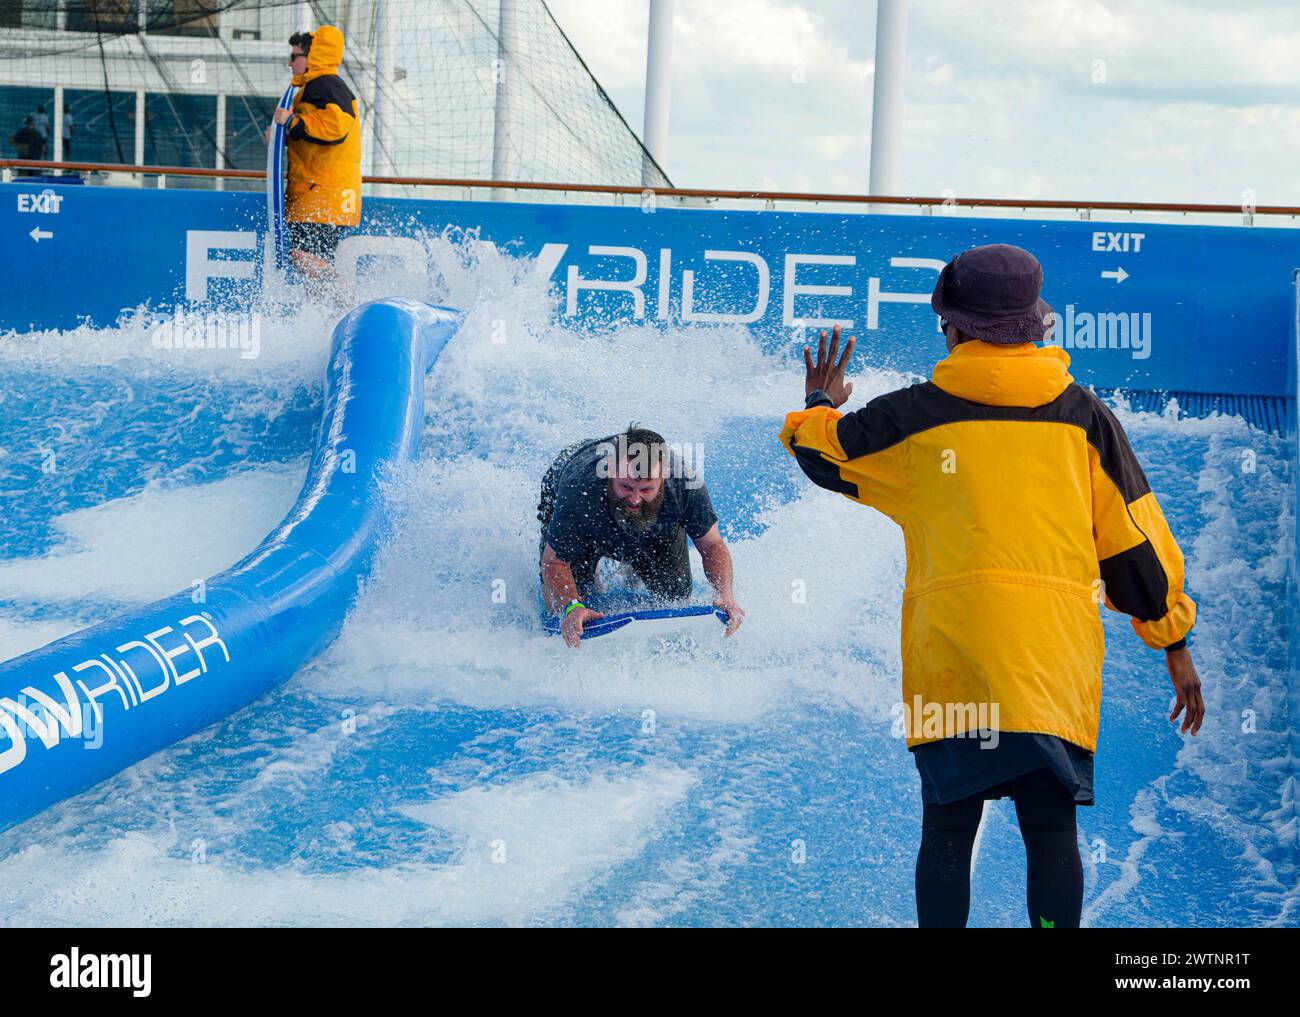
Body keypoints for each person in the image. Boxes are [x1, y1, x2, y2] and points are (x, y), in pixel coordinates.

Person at [779, 243, 1203, 929]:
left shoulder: (913, 418)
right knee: (1051, 831)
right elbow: (1137, 546)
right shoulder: (1084, 419)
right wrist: (1173, 639)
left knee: (948, 832)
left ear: (952, 327)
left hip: (955, 662)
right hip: (1051, 666)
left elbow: (824, 453)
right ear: (1038, 323)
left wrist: (817, 403)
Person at [539, 425, 746, 647]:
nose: (635, 499)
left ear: (664, 476)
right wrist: (571, 605)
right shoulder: (579, 489)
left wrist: (725, 594)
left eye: (646, 489)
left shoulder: (685, 484)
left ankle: (635, 557)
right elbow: (554, 561)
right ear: (611, 470)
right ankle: (595, 566)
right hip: (577, 493)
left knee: (676, 595)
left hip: (655, 529)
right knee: (563, 604)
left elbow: (712, 545)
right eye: (626, 487)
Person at [267, 26, 362, 290]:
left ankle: (349, 300)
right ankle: (328, 319)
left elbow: (336, 127)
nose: (290, 62)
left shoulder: (326, 85)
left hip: (324, 194)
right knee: (312, 270)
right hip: (315, 193)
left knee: (301, 258)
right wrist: (281, 135)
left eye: (295, 56)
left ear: (314, 56)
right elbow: (310, 134)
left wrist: (293, 123)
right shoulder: (311, 89)